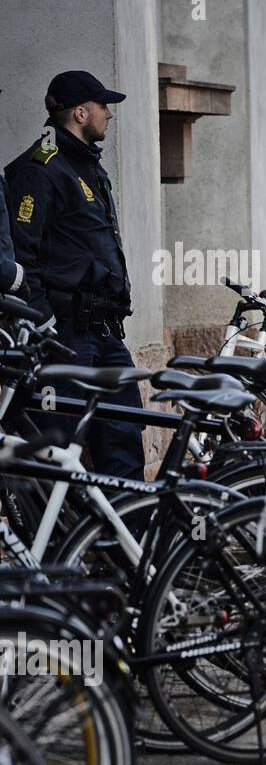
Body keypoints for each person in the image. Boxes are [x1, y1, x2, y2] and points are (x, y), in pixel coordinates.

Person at [4, 71, 143, 479]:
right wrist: (42, 322)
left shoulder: (85, 166)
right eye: (104, 107)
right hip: (64, 337)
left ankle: (124, 540)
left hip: (104, 333)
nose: (109, 116)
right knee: (55, 448)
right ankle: (52, 542)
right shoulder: (40, 169)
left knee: (123, 437)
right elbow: (19, 257)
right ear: (81, 112)